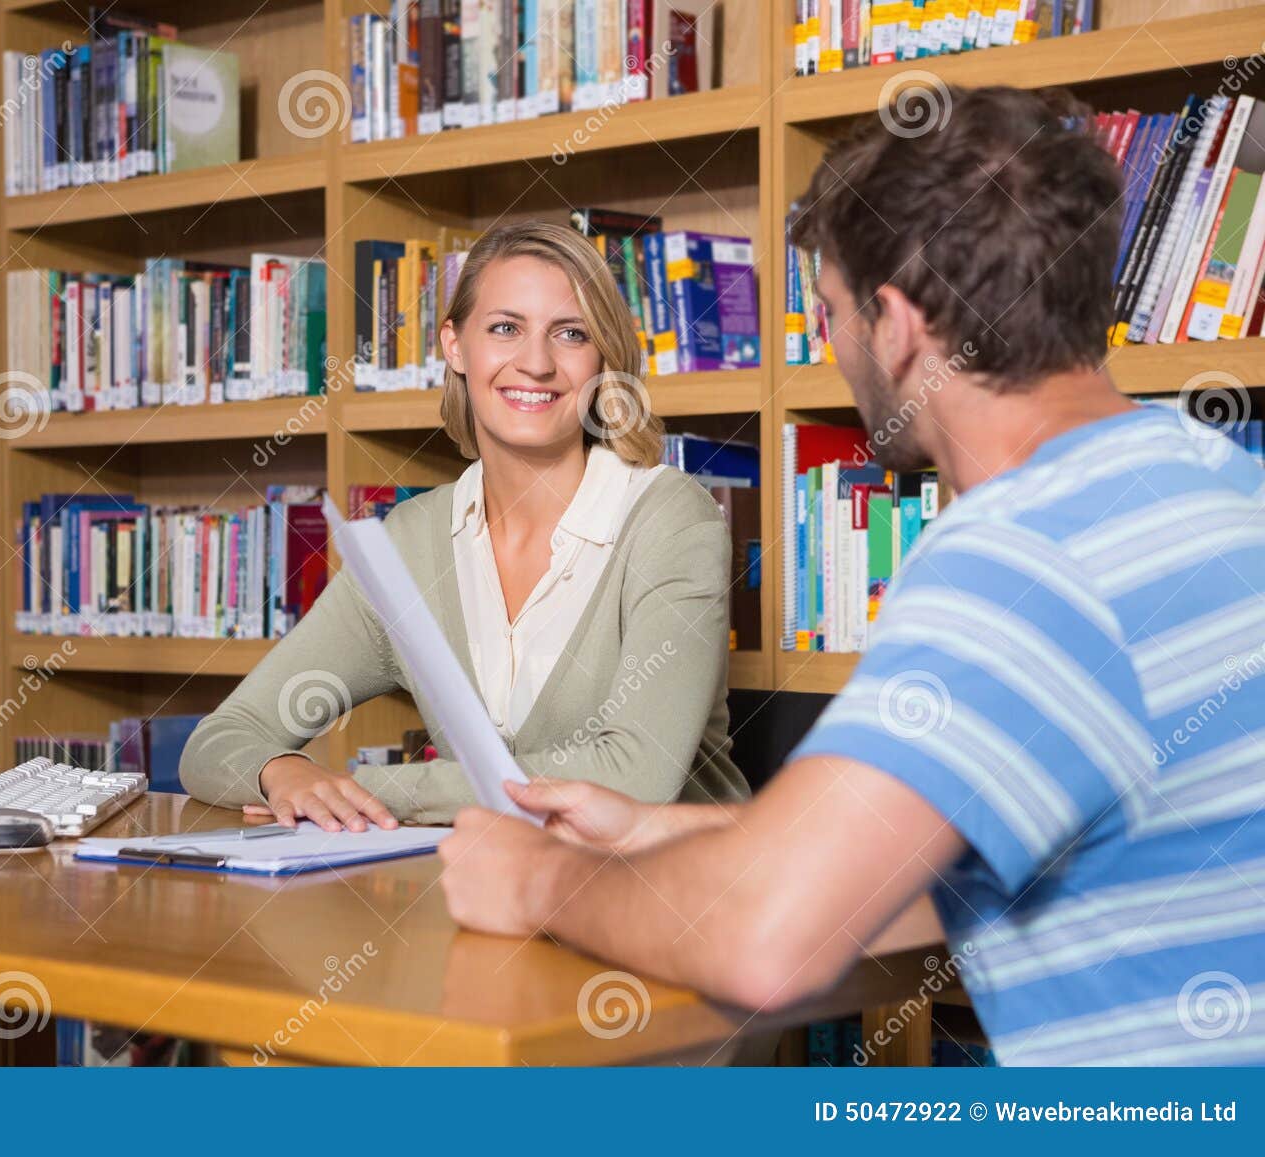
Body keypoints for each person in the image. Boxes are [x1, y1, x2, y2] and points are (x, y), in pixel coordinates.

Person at [439, 86, 1265, 1066]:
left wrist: (534, 879)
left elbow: (768, 943)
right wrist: (654, 830)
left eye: (829, 311)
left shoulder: (1024, 554)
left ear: (898, 324)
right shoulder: (1217, 474)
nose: (830, 347)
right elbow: (946, 837)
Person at [181, 220, 748, 830]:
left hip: (675, 901)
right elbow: (219, 743)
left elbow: (635, 774)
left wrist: (364, 790)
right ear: (455, 345)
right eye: (505, 328)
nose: (535, 363)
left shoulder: (670, 520)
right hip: (495, 891)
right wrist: (281, 772)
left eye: (570, 334)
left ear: (601, 360)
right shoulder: (411, 543)